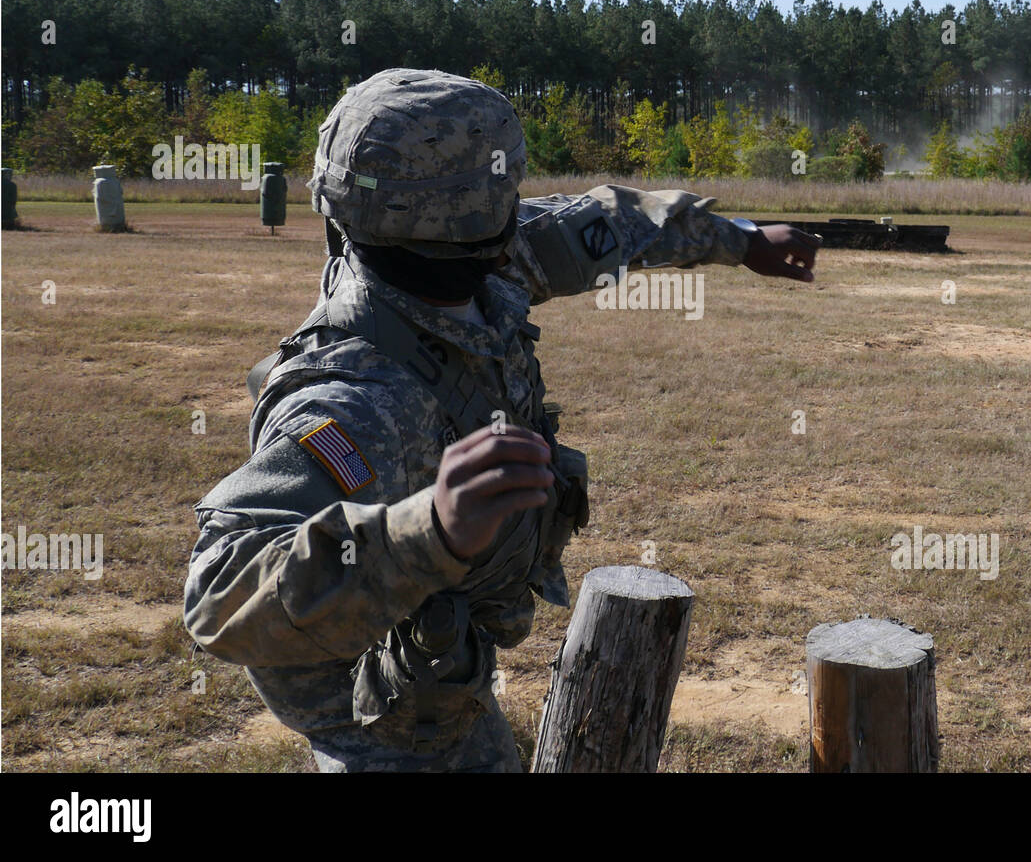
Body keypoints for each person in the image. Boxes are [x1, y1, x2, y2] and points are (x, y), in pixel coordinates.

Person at [183, 68, 821, 772]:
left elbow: (610, 224)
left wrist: (740, 238)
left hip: (445, 683)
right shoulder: (355, 400)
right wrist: (427, 529)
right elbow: (218, 595)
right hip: (381, 728)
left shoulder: (488, 264)